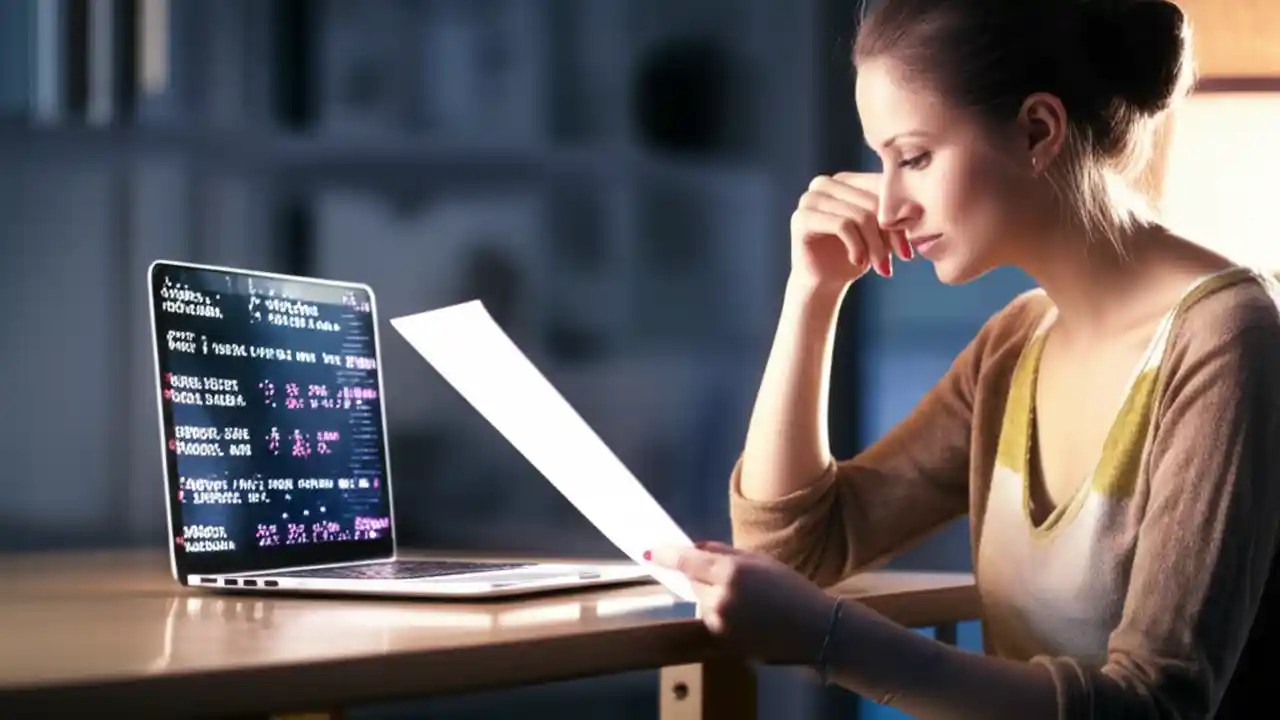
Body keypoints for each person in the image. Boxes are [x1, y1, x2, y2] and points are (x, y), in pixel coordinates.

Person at [645, 1, 1280, 717]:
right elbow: (792, 551)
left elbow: (1157, 704)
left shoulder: (1227, 338)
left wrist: (832, 640)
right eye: (880, 161)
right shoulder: (1015, 344)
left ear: (1038, 130)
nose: (887, 207)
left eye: (914, 158)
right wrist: (811, 295)